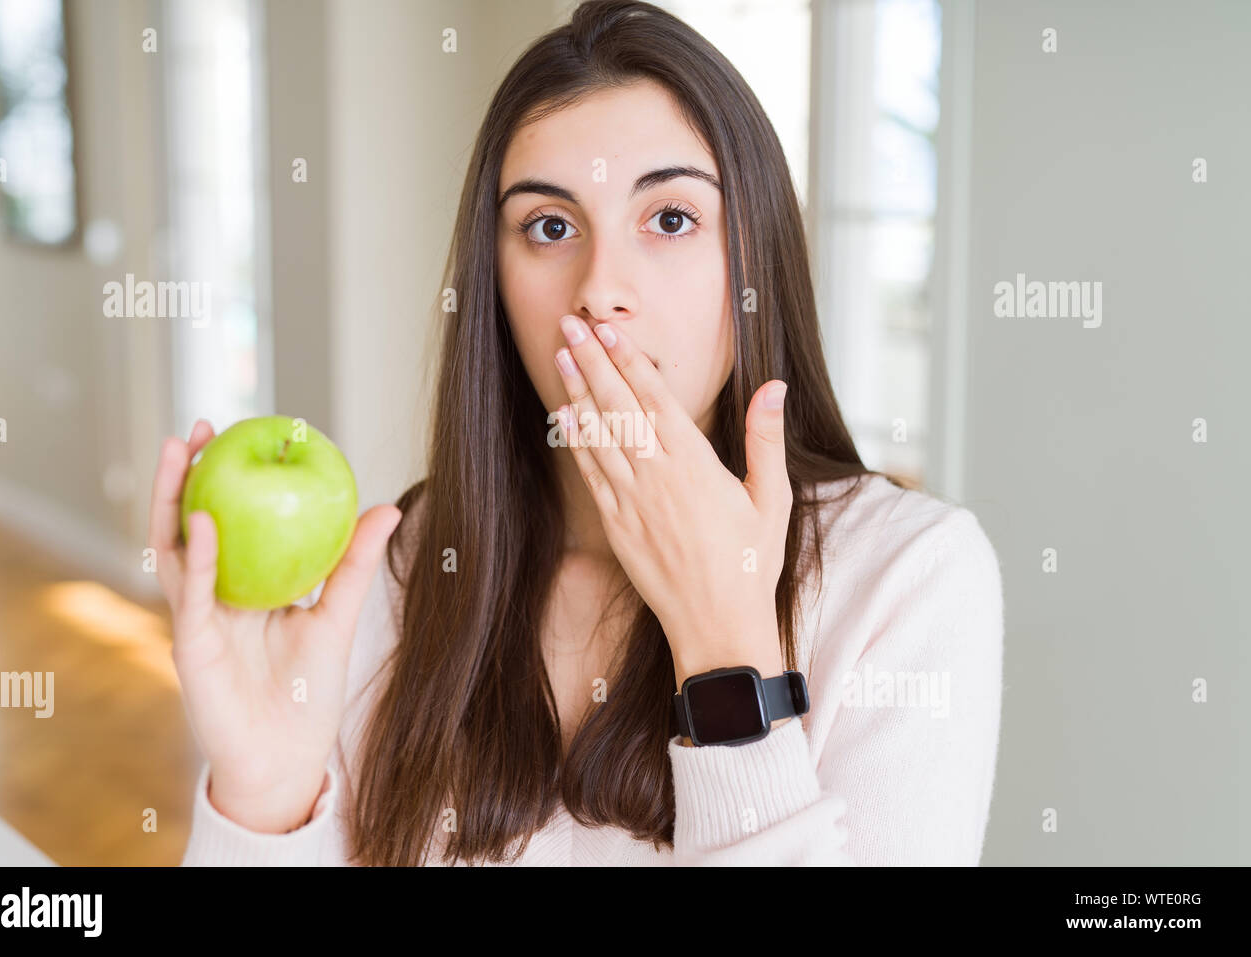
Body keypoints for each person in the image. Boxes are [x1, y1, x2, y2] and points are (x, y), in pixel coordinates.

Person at [151, 0, 1003, 866]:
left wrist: (723, 650)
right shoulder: (399, 574)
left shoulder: (911, 578)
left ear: (757, 258)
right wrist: (264, 793)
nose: (601, 290)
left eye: (670, 218)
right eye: (550, 227)